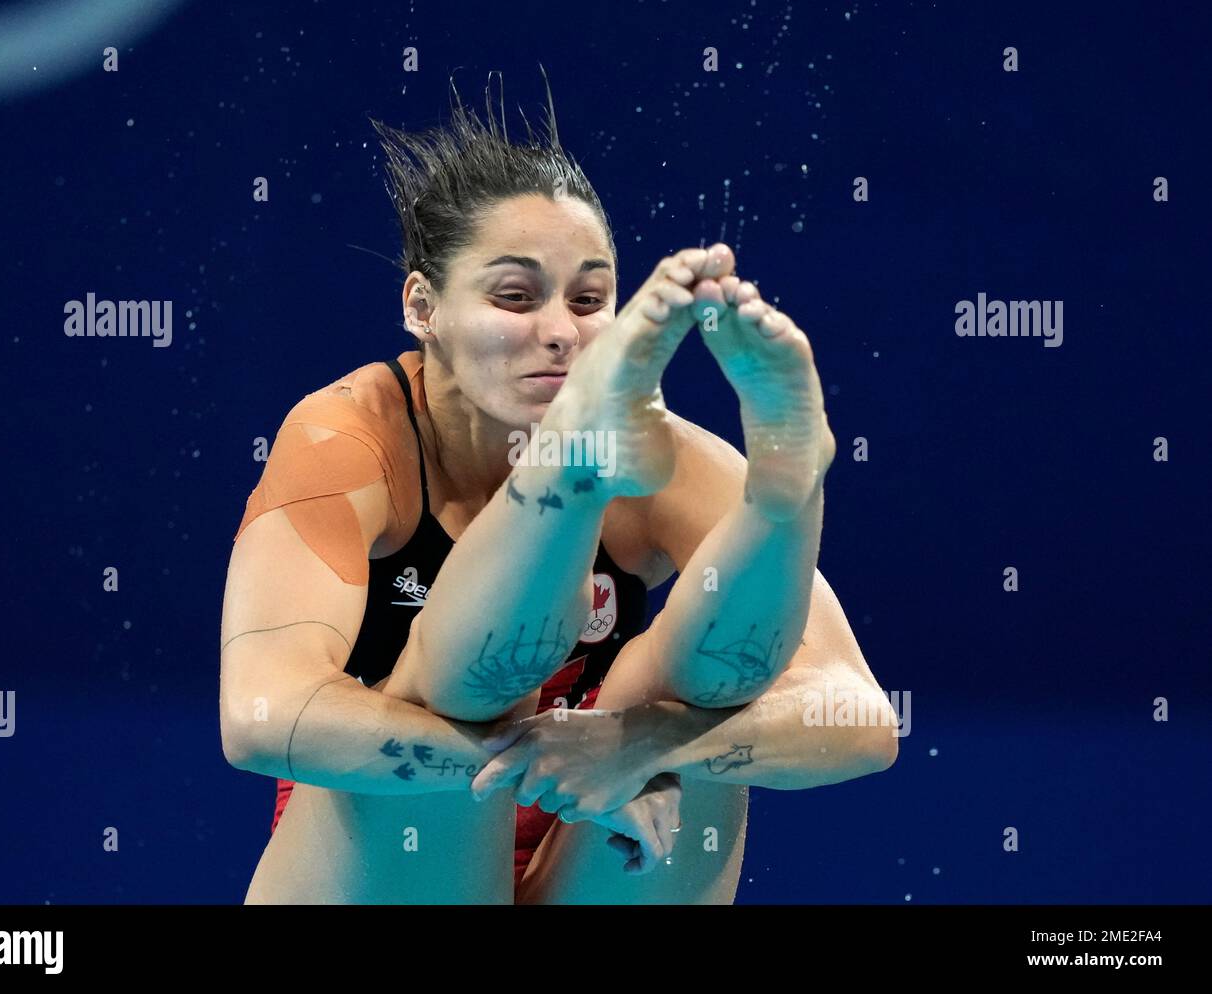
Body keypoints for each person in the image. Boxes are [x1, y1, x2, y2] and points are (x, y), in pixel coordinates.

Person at [220, 71, 896, 904]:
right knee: (469, 682)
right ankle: (563, 487)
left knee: (693, 687)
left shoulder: (666, 456)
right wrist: (541, 761)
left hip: (591, 860)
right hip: (392, 860)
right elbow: (259, 717)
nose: (558, 333)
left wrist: (645, 746)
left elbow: (862, 723)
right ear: (422, 306)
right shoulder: (349, 439)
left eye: (587, 300)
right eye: (515, 296)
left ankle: (782, 505)